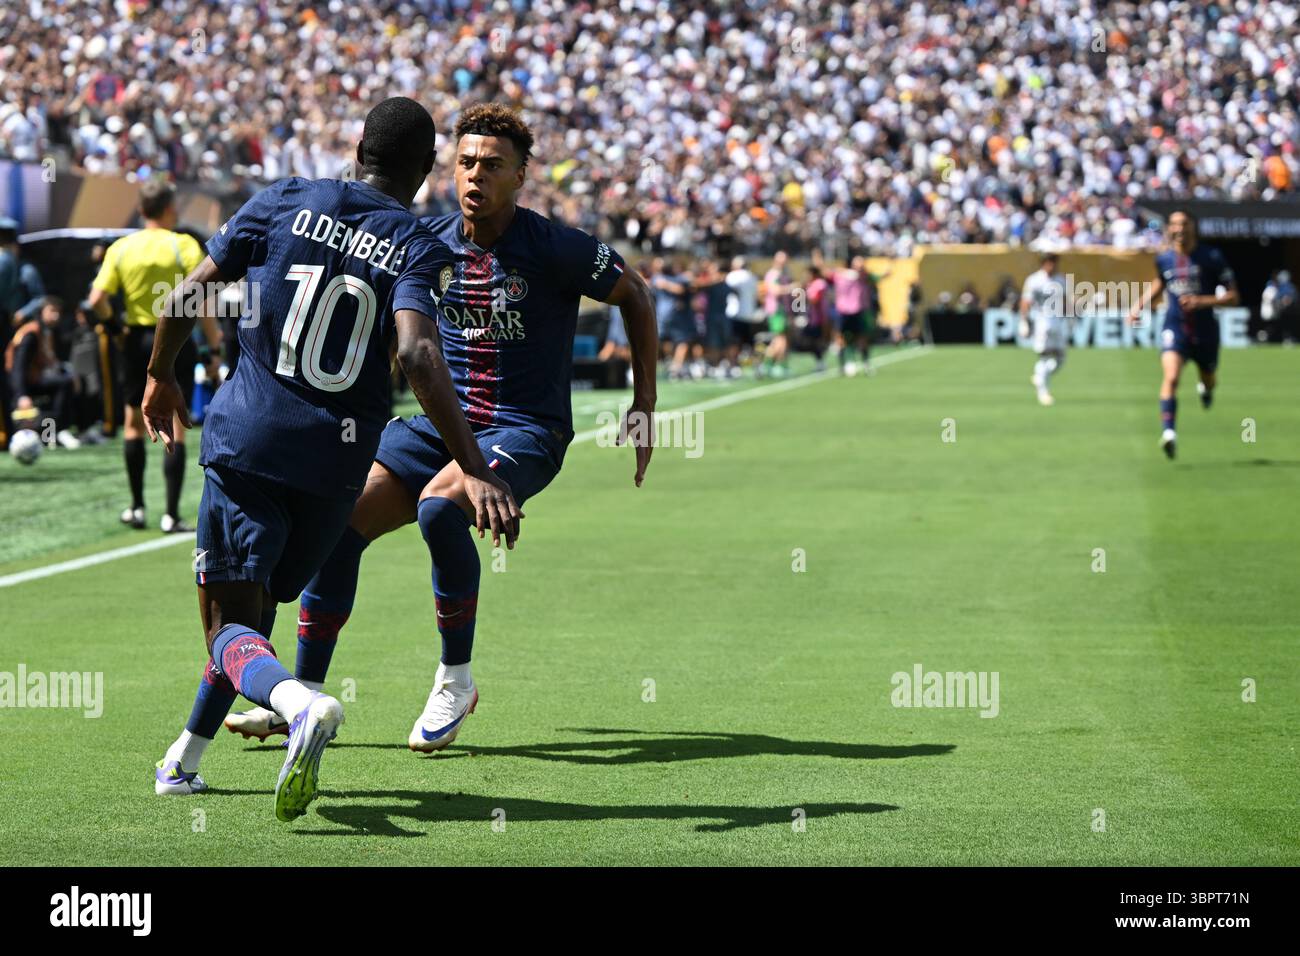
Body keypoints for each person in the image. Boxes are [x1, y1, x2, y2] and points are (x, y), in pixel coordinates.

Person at [224, 103, 657, 753]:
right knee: (339, 528)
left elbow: (637, 295)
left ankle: (456, 679)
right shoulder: (426, 241)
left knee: (439, 509)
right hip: (441, 425)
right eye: (466, 163)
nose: (476, 176)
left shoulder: (556, 247)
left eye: (493, 166)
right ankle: (304, 698)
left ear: (520, 177)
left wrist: (643, 403)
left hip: (524, 428)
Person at [145, 97, 520, 822]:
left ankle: (297, 704)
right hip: (338, 469)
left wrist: (161, 373)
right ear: (425, 169)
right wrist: (471, 460)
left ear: (358, 148)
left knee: (227, 625)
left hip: (250, 440)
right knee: (251, 622)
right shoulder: (419, 244)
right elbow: (415, 350)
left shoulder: (284, 198)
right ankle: (183, 762)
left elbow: (188, 297)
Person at [87, 180, 223, 532]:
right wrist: (213, 347)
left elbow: (96, 299)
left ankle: (136, 507)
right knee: (175, 423)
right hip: (176, 339)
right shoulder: (182, 244)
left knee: (133, 423)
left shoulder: (122, 247)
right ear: (167, 209)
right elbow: (200, 299)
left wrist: (117, 331)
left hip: (135, 341)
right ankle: (171, 514)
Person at [1127, 210, 1239, 459]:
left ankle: (1206, 388)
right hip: (1175, 327)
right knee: (1171, 377)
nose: (1178, 228)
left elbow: (1233, 297)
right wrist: (1139, 305)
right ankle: (1169, 433)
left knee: (1209, 376)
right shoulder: (1165, 259)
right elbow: (1161, 282)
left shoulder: (1211, 257)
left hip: (1205, 331)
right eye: (1174, 224)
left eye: (1184, 224)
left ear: (1193, 228)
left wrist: (1202, 301)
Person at [4, 297, 82, 448]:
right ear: (41, 312)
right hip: (22, 383)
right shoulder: (30, 333)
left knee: (71, 380)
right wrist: (21, 395)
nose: (56, 316)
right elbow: (17, 367)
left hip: (38, 378)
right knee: (63, 383)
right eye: (52, 311)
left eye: (58, 312)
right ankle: (59, 430)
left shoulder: (48, 331)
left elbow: (50, 360)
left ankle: (73, 429)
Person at [1019, 253, 1069, 406]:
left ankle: (1040, 377)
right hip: (1042, 321)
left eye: (1054, 262)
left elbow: (1065, 302)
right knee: (1045, 356)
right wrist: (1024, 321)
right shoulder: (1034, 280)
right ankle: (1043, 392)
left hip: (1058, 321)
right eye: (1049, 262)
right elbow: (1026, 302)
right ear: (1043, 263)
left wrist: (1070, 318)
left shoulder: (1061, 279)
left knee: (1060, 358)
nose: (1052, 266)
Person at [760, 251, 794, 377]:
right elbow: (775, 291)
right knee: (780, 339)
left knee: (781, 339)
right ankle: (774, 365)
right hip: (776, 310)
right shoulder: (773, 274)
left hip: (784, 310)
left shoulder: (785, 274)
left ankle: (772, 365)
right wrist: (791, 287)